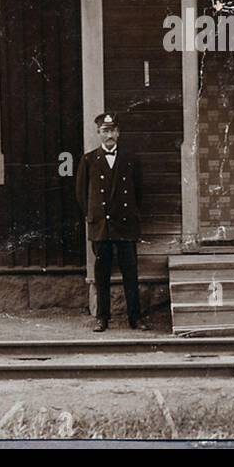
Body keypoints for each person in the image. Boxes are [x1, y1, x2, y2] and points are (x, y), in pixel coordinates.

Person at [74, 112, 148, 332]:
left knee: (130, 272)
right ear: (98, 134)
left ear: (118, 133)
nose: (109, 135)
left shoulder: (131, 159)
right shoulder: (88, 160)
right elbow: (81, 194)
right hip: (102, 226)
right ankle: (102, 318)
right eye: (105, 131)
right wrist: (93, 217)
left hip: (126, 225)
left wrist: (133, 214)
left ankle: (135, 318)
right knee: (102, 274)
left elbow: (140, 191)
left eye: (112, 130)